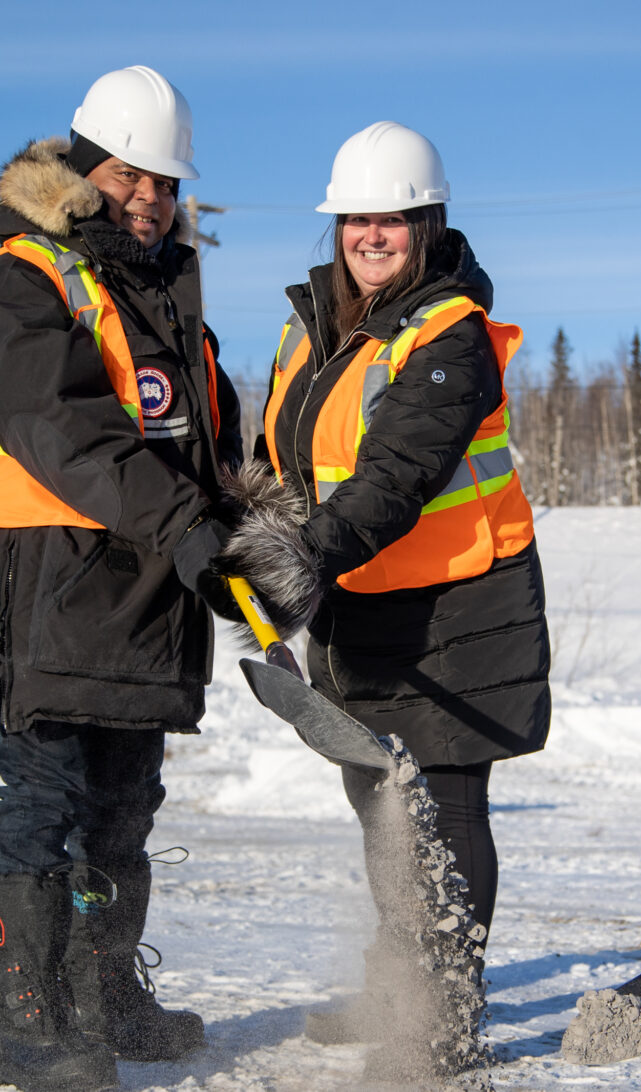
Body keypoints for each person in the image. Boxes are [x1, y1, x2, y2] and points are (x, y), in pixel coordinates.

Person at [0, 66, 249, 1092]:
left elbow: (209, 460)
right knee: (44, 808)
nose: (148, 196)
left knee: (124, 811)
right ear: (78, 169)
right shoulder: (17, 285)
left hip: (143, 609)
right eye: (127, 174)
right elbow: (61, 429)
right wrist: (184, 521)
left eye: (163, 180)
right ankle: (25, 1020)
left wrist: (251, 553)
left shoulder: (169, 314)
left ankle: (106, 996)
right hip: (43, 600)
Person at [246, 120, 551, 1071]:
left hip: (462, 606)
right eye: (355, 221)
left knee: (446, 808)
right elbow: (279, 463)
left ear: (427, 225)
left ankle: (443, 1018)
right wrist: (249, 549)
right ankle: (398, 987)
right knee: (380, 801)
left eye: (393, 220)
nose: (372, 237)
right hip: (362, 601)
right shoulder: (316, 332)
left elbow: (397, 473)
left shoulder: (448, 334)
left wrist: (304, 559)